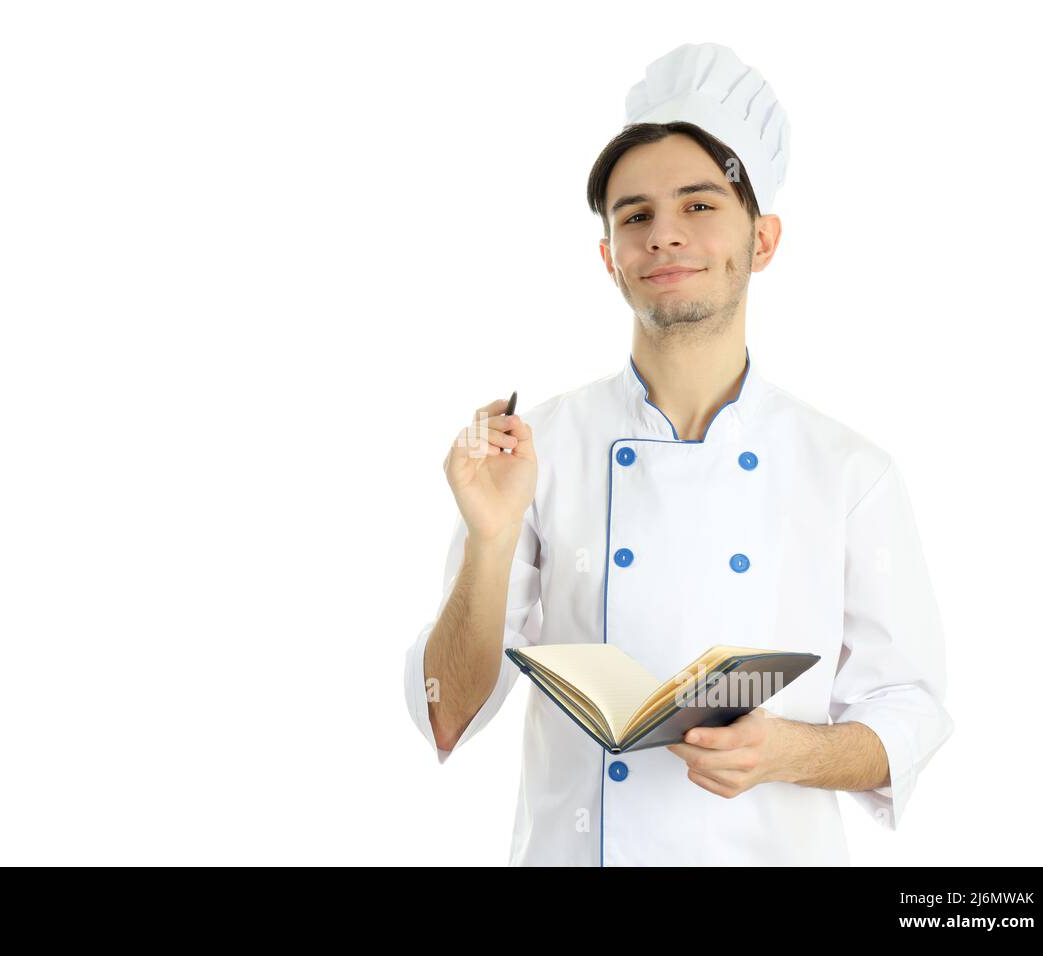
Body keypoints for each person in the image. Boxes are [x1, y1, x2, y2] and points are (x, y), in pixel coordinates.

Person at [401, 43, 955, 866]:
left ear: (762, 241)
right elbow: (447, 711)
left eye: (699, 206)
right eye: (635, 216)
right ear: (609, 258)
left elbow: (909, 712)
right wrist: (490, 537)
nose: (664, 235)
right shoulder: (535, 451)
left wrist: (791, 752)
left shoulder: (848, 470)